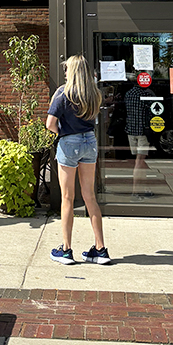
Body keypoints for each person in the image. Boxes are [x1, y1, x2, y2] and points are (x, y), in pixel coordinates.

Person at [46, 54, 111, 265]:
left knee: (67, 198)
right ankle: (100, 250)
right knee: (89, 196)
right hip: (90, 142)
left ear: (72, 71)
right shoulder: (93, 94)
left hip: (69, 142)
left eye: (66, 69)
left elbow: (50, 124)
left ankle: (66, 250)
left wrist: (62, 134)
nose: (64, 73)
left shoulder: (63, 93)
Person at [124, 82, 156, 197]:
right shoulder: (146, 94)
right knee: (139, 162)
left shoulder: (128, 94)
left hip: (131, 131)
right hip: (143, 131)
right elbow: (153, 109)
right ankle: (135, 190)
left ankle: (146, 187)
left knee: (140, 162)